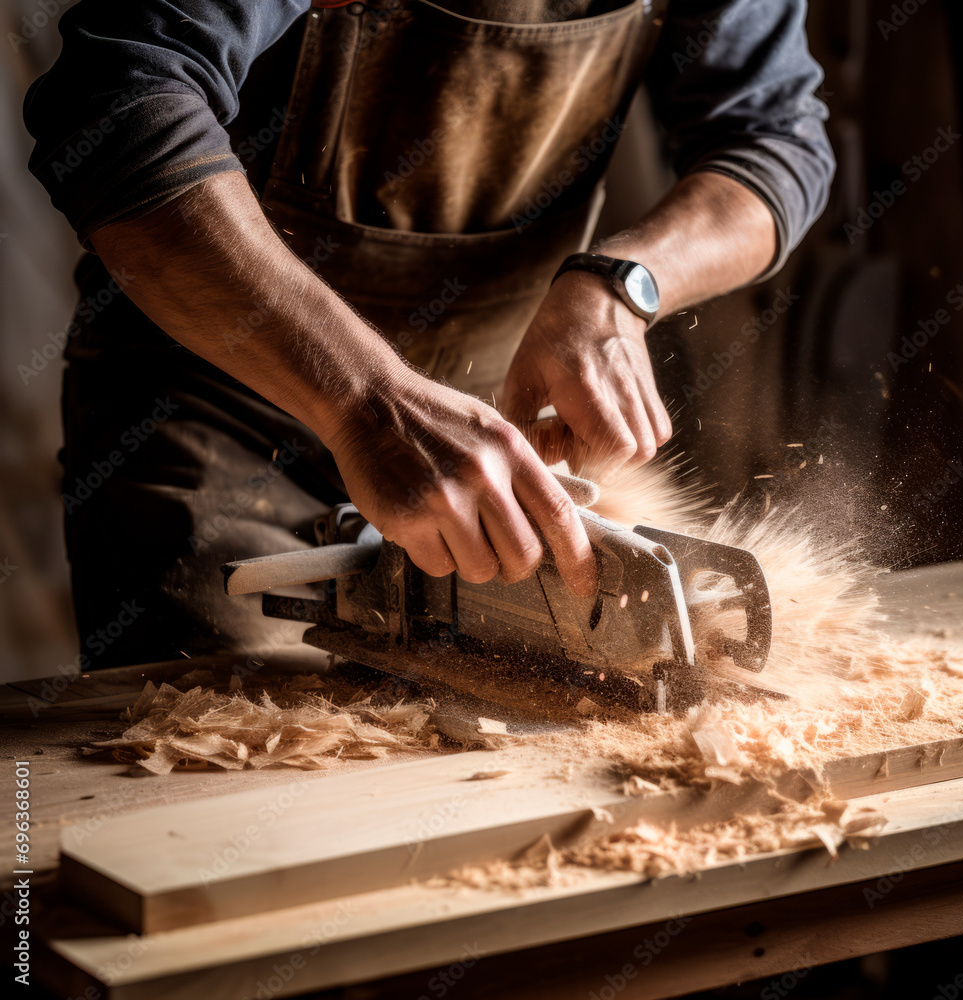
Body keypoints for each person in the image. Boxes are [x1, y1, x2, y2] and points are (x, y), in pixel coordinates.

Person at [23, 0, 834, 668]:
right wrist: (365, 400)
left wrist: (622, 283)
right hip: (217, 425)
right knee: (239, 790)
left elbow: (778, 139)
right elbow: (115, 100)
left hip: (485, 451)